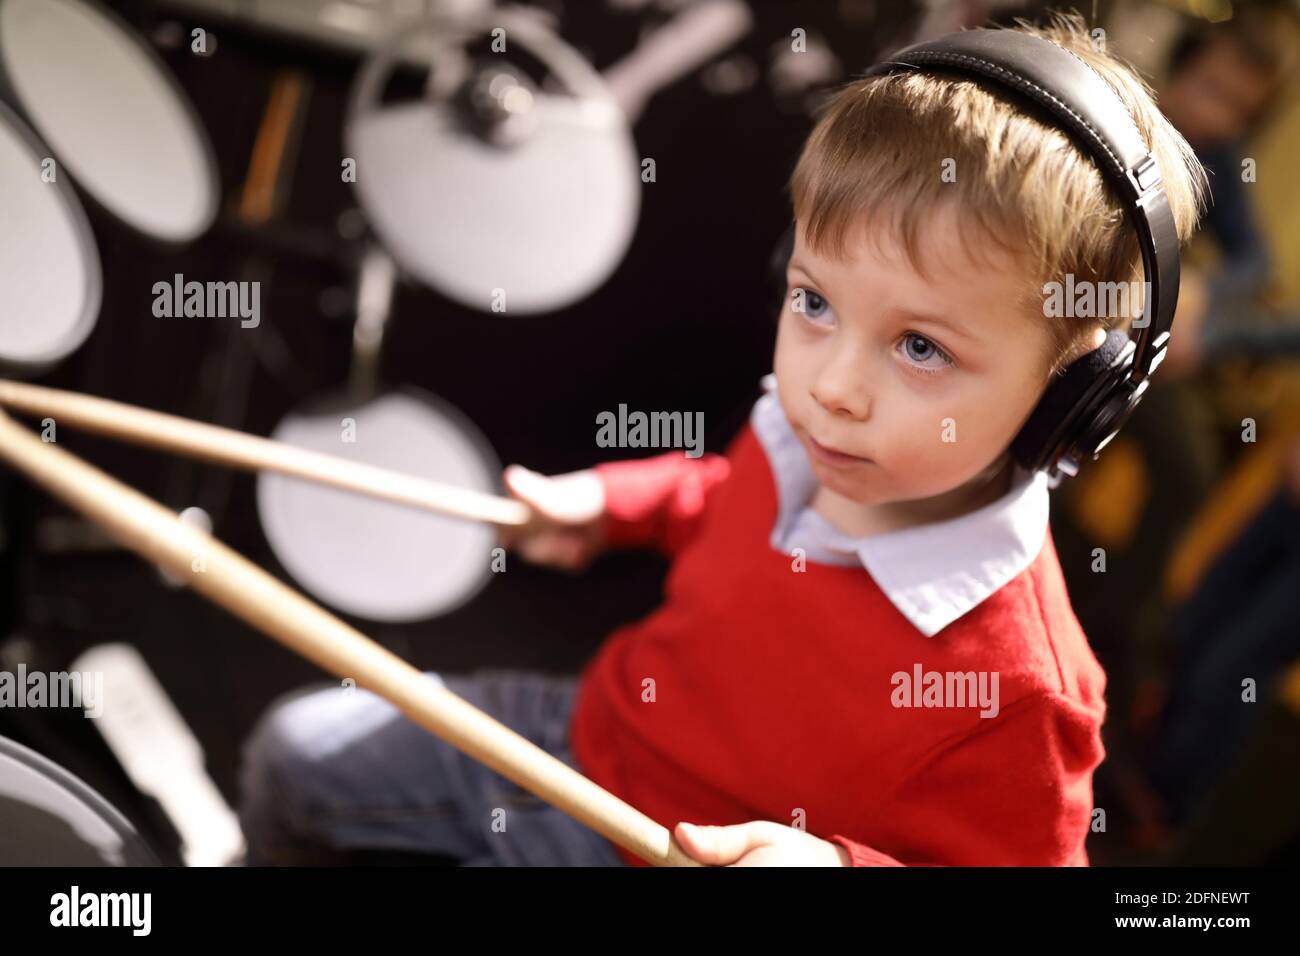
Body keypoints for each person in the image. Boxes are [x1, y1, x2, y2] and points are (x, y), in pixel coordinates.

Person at [238, 13, 1206, 866]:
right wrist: (612, 506)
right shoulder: (815, 434)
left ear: (1073, 396)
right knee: (293, 754)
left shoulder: (1024, 694)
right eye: (815, 302)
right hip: (590, 732)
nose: (830, 385)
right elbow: (721, 497)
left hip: (667, 855)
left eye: (919, 345)